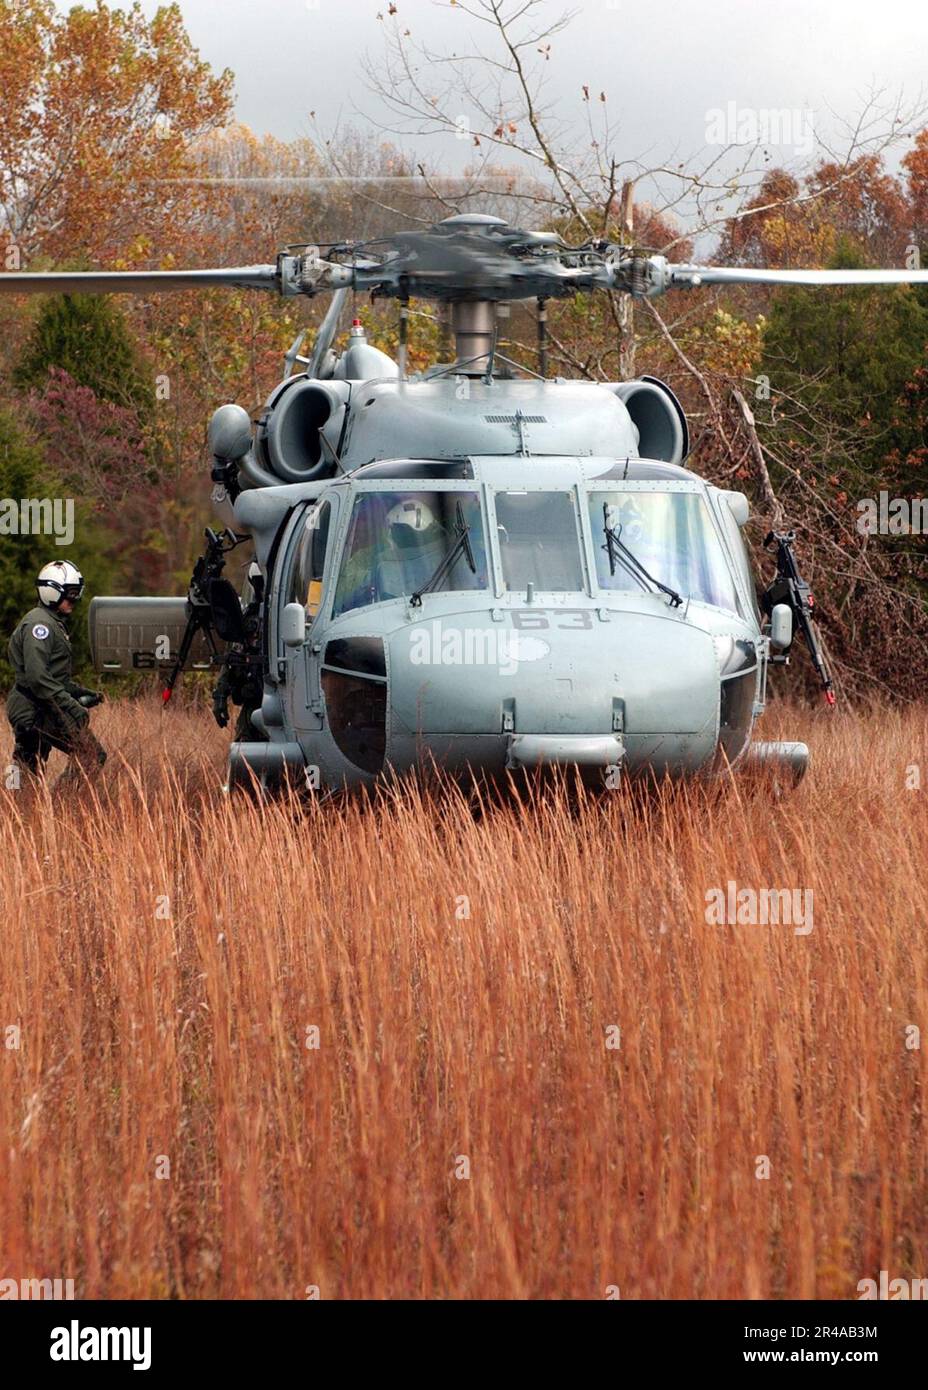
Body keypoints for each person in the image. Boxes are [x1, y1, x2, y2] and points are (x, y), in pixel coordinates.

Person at [6, 560, 107, 782]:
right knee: (91, 755)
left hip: (37, 704)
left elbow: (52, 677)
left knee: (28, 766)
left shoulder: (50, 621)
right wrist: (72, 706)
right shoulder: (39, 626)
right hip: (34, 707)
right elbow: (37, 677)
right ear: (52, 591)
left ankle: (23, 809)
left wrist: (78, 692)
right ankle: (63, 803)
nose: (75, 599)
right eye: (71, 593)